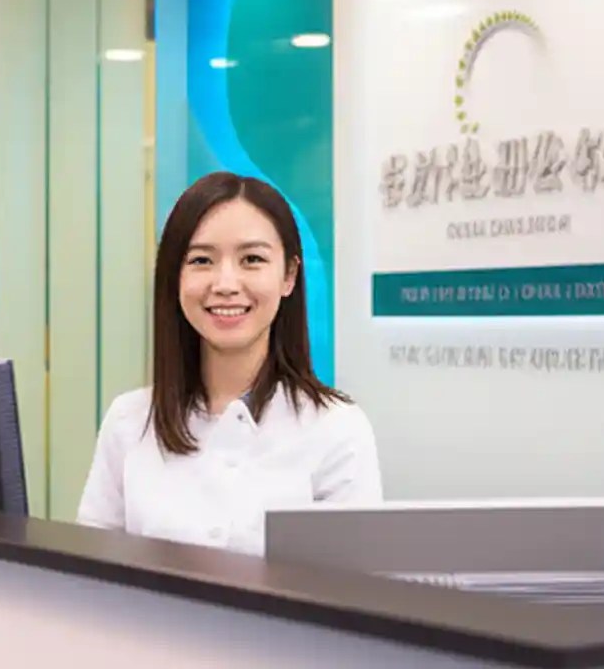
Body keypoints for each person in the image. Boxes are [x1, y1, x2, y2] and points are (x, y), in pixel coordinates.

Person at [77, 171, 382, 556]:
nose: (225, 283)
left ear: (289, 275)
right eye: (201, 260)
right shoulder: (129, 421)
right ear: (175, 277)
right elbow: (90, 578)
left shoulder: (337, 428)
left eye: (252, 259)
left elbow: (353, 594)